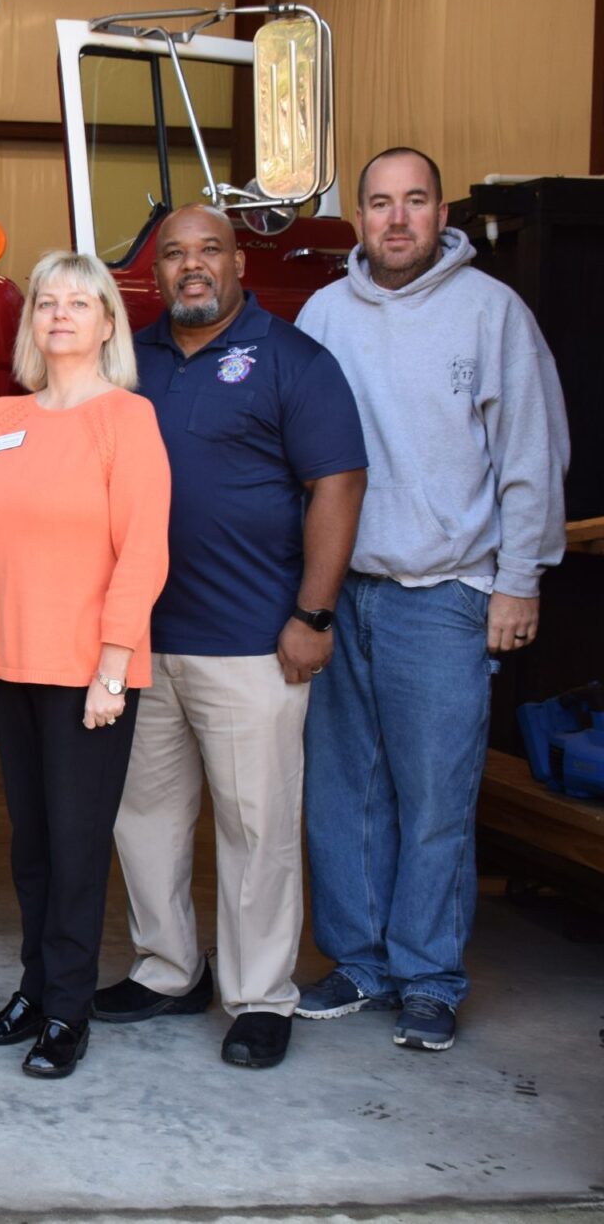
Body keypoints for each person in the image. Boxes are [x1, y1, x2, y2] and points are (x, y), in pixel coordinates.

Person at [295, 148, 569, 1053]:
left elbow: (532, 454)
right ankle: (359, 962)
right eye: (380, 203)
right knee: (343, 792)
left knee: (437, 796)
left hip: (445, 593)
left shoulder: (491, 312)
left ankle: (428, 977)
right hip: (342, 593)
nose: (397, 219)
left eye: (415, 201)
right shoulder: (324, 316)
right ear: (359, 218)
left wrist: (518, 579)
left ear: (441, 213)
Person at [94, 205, 367, 1070]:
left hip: (253, 640)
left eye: (209, 249)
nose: (192, 266)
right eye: (175, 254)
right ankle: (168, 970)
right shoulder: (126, 359)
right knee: (144, 818)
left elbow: (338, 485)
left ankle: (258, 997)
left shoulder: (293, 359)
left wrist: (313, 616)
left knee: (257, 829)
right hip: (141, 638)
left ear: (239, 262)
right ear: (155, 274)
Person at [0, 249, 171, 1079]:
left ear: (108, 323)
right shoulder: (1, 417)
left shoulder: (127, 419)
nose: (61, 314)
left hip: (85, 674)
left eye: (80, 302)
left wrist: (113, 667)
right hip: (8, 660)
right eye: (47, 302)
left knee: (75, 846)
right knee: (31, 846)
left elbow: (143, 551)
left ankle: (69, 1011)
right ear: (32, 323)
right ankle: (35, 991)